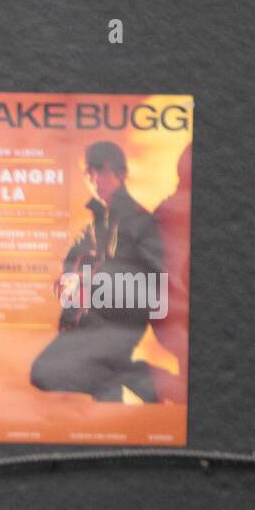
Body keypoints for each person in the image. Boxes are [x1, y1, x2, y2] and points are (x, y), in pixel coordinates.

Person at [30, 141, 166, 402]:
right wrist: (66, 282)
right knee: (43, 374)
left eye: (100, 171)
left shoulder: (141, 222)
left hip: (119, 325)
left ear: (120, 173)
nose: (94, 179)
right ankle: (127, 381)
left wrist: (92, 278)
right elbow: (70, 265)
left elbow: (155, 281)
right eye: (89, 173)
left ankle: (138, 376)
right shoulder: (93, 223)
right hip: (86, 323)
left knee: (48, 373)